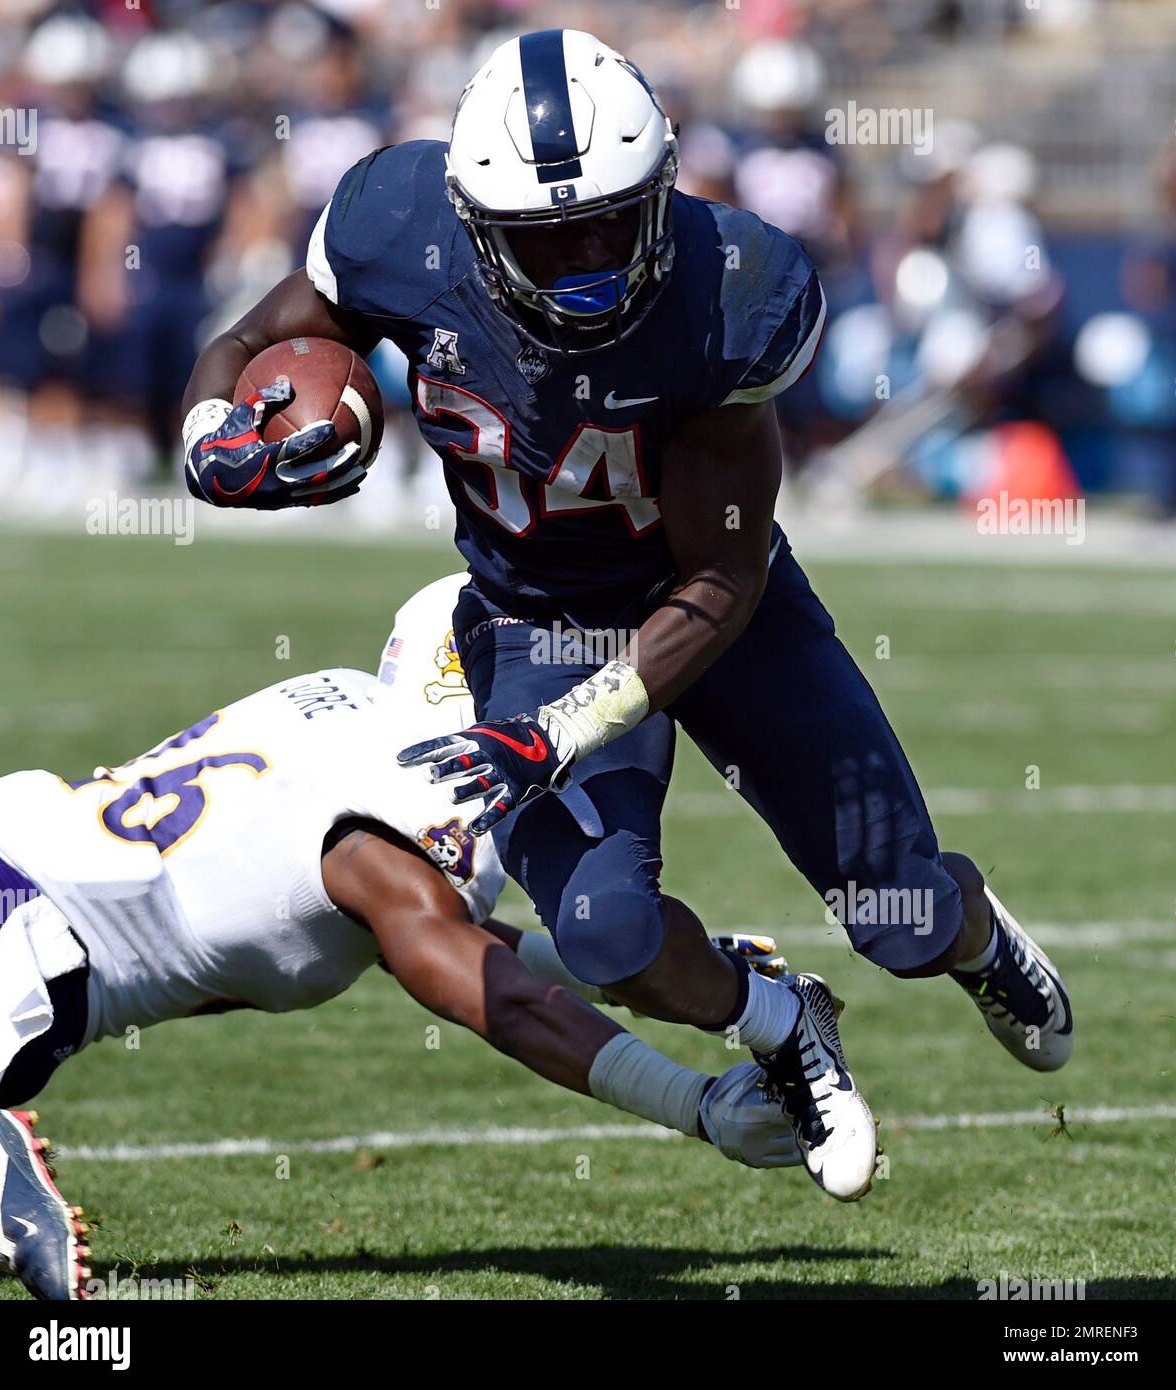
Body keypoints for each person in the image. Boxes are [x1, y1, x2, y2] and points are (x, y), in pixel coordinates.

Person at [181, 30, 1071, 1210]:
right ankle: (779, 1017)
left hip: (711, 607)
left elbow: (722, 583)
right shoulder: (398, 221)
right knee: (604, 933)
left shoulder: (730, 290)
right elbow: (258, 341)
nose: (594, 259)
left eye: (615, 220)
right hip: (535, 618)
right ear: (474, 222)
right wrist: (212, 440)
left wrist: (553, 734)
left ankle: (974, 935)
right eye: (553, 238)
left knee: (898, 916)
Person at [0, 575, 803, 1302]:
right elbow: (496, 997)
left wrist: (648, 971)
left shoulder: (337, 705)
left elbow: (455, 942)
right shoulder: (410, 807)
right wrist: (692, 1105)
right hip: (28, 943)